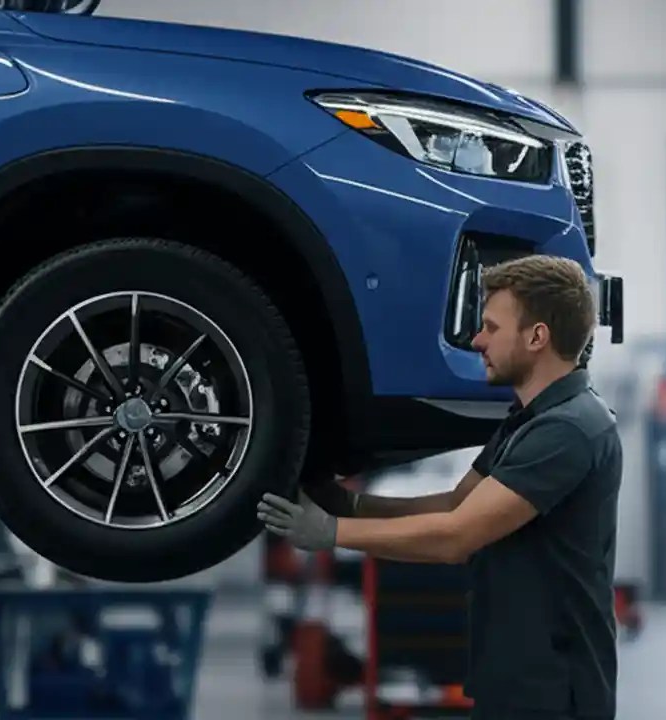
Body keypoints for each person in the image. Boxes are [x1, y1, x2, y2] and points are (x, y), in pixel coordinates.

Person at [258, 254, 623, 720]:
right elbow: (458, 502)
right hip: (515, 675)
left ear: (536, 337)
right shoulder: (529, 421)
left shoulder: (569, 430)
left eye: (491, 327)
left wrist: (332, 533)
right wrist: (353, 505)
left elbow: (457, 536)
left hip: (555, 689)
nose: (477, 340)